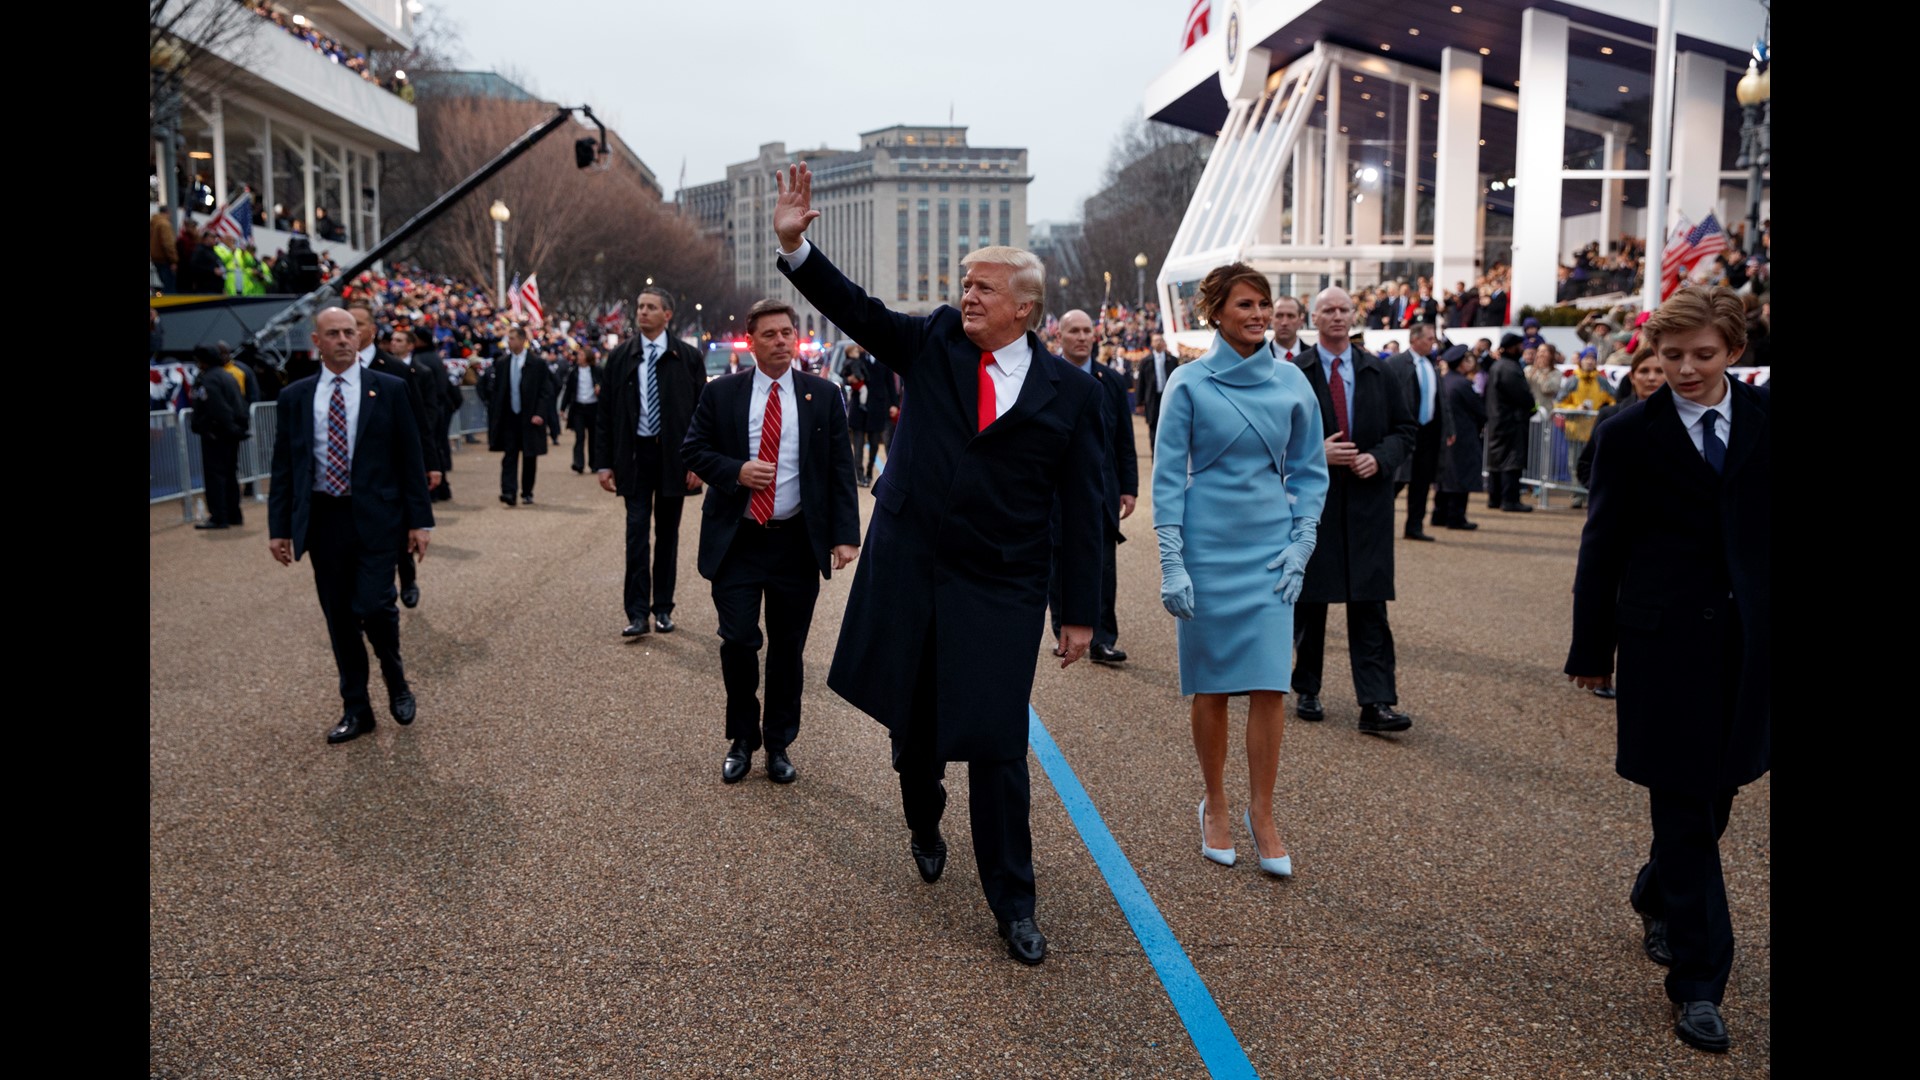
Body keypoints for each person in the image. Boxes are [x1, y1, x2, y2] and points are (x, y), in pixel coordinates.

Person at [774, 162, 1105, 965]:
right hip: (912, 568)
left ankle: (1014, 903)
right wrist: (798, 249)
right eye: (966, 283)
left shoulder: (1071, 392)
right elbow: (858, 311)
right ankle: (923, 817)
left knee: (996, 743)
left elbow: (1086, 509)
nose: (969, 295)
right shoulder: (929, 341)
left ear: (1025, 308)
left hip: (1002, 584)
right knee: (914, 729)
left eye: (985, 287)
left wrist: (1081, 611)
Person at [1565, 286, 1770, 1055]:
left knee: (1719, 799)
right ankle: (1698, 985)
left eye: (1702, 356)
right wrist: (1592, 652)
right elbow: (1601, 548)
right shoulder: (1627, 434)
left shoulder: (1763, 424)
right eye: (1672, 356)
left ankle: (1656, 892)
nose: (1684, 370)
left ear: (1735, 354)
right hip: (1662, 650)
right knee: (1684, 811)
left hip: (1748, 651)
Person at [1152, 263, 1328, 877]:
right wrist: (1171, 561)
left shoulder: (1293, 383)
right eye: (1246, 305)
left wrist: (1302, 541)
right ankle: (1216, 802)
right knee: (1212, 685)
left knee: (1270, 684)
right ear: (1217, 313)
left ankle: (1264, 812)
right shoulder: (1188, 383)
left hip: (1269, 553)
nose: (1258, 314)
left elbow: (1309, 471)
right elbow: (1169, 476)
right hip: (1205, 549)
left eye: (1265, 304)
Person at [680, 299, 862, 786]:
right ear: (751, 341)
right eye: (771, 335)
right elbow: (693, 448)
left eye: (788, 333)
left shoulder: (822, 395)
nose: (782, 341)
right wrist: (735, 471)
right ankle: (742, 738)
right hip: (737, 540)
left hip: (796, 544)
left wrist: (845, 535)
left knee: (787, 649)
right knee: (738, 641)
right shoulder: (723, 395)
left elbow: (840, 470)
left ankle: (778, 742)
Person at [267, 307, 434, 744]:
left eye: (349, 331)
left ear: (359, 337)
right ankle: (356, 708)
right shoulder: (296, 398)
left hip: (378, 519)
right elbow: (285, 466)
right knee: (340, 618)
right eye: (333, 333)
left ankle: (396, 680)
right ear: (316, 341)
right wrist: (279, 528)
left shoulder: (390, 389)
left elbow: (410, 459)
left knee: (376, 606)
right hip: (324, 521)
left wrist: (421, 521)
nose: (343, 338)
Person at [1289, 287, 1418, 734]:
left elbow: (1405, 430)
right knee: (1311, 601)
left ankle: (1377, 702)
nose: (1338, 316)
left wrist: (1380, 458)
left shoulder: (1378, 372)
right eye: (1328, 310)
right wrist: (1313, 454)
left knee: (1370, 607)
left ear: (1354, 315)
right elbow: (1274, 439)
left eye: (1344, 309)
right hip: (1315, 504)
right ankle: (1307, 687)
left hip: (1367, 506)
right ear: (1315, 317)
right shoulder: (1294, 373)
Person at [593, 287, 706, 636]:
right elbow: (606, 412)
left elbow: (702, 415)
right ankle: (637, 613)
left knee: (667, 536)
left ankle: (663, 609)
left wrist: (698, 463)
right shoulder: (622, 356)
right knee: (636, 534)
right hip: (635, 457)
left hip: (674, 458)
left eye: (651, 307)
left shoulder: (687, 357)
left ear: (667, 315)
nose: (643, 312)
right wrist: (603, 462)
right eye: (640, 307)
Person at [1048, 310, 1138, 666]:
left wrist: (1128, 487)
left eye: (1088, 331)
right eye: (1074, 331)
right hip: (1054, 491)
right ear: (1061, 336)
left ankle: (1103, 638)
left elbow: (1124, 441)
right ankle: (1062, 631)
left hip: (1100, 491)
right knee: (1058, 563)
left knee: (1103, 566)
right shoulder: (1046, 375)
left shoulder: (1111, 381)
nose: (1082, 337)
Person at [1576, 342, 1664, 489]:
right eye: (1644, 371)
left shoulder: (1682, 417)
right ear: (1632, 377)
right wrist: (1608, 495)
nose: (1651, 378)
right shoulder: (1611, 416)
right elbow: (1586, 465)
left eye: (1659, 371)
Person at [488, 325, 557, 507]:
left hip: (529, 417)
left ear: (522, 340)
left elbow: (545, 391)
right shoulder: (503, 363)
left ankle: (527, 491)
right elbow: (496, 391)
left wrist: (540, 413)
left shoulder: (537, 363)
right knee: (509, 455)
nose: (509, 342)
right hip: (510, 416)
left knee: (529, 456)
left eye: (512, 338)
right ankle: (508, 491)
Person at [1387, 322, 1442, 542]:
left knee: (1421, 482)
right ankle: (1376, 524)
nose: (1433, 342)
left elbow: (1440, 400)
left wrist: (1448, 429)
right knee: (1396, 481)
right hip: (1403, 432)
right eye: (1429, 338)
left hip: (1428, 432)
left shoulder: (1431, 365)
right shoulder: (1396, 363)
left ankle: (1414, 526)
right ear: (1414, 339)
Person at [189, 345, 250, 530]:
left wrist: (224, 428)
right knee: (230, 474)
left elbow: (217, 407)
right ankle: (234, 514)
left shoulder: (208, 379)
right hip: (229, 433)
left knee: (216, 476)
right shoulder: (227, 375)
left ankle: (219, 517)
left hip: (217, 434)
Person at [1434, 345, 1484, 531]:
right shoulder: (1463, 384)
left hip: (1447, 434)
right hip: (1463, 435)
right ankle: (1456, 517)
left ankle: (1439, 514)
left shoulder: (1445, 381)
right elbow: (1479, 410)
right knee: (1460, 477)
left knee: (1445, 477)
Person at [1484, 333, 1534, 512]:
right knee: (1511, 461)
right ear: (1513, 347)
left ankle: (1494, 498)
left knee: (1497, 461)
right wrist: (1531, 405)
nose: (1522, 349)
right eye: (1519, 346)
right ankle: (1509, 499)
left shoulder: (1499, 366)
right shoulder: (1509, 368)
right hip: (1510, 420)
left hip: (1498, 419)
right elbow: (1522, 395)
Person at [1136, 332, 1182, 454]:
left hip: (1169, 399)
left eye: (1160, 340)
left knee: (1171, 427)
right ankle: (1155, 454)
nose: (1158, 342)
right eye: (1156, 340)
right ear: (1151, 343)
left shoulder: (1172, 360)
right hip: (1153, 399)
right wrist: (1139, 402)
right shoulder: (1146, 361)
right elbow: (1141, 383)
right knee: (1154, 428)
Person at [563, 346, 602, 474]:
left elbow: (605, 385)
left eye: (581, 355)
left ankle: (594, 463)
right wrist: (563, 408)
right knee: (579, 436)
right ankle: (578, 463)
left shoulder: (597, 370)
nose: (578, 357)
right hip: (579, 407)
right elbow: (568, 391)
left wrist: (600, 389)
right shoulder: (574, 371)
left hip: (593, 407)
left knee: (594, 437)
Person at [151, 205, 178, 293]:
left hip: (156, 259)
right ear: (168, 212)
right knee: (170, 288)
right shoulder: (164, 224)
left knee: (165, 285)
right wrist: (173, 260)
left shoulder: (153, 223)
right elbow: (168, 244)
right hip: (165, 260)